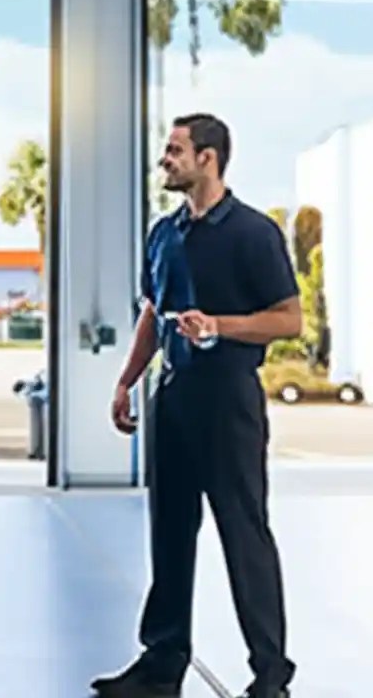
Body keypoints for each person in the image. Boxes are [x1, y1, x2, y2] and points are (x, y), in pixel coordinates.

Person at [92, 113, 301, 698]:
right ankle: (162, 662)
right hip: (173, 398)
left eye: (175, 150)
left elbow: (289, 318)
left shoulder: (254, 233)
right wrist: (127, 380)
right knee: (170, 532)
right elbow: (152, 315)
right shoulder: (163, 233)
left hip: (229, 398)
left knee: (243, 531)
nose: (166, 160)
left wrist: (221, 325)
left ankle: (270, 676)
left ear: (208, 157)